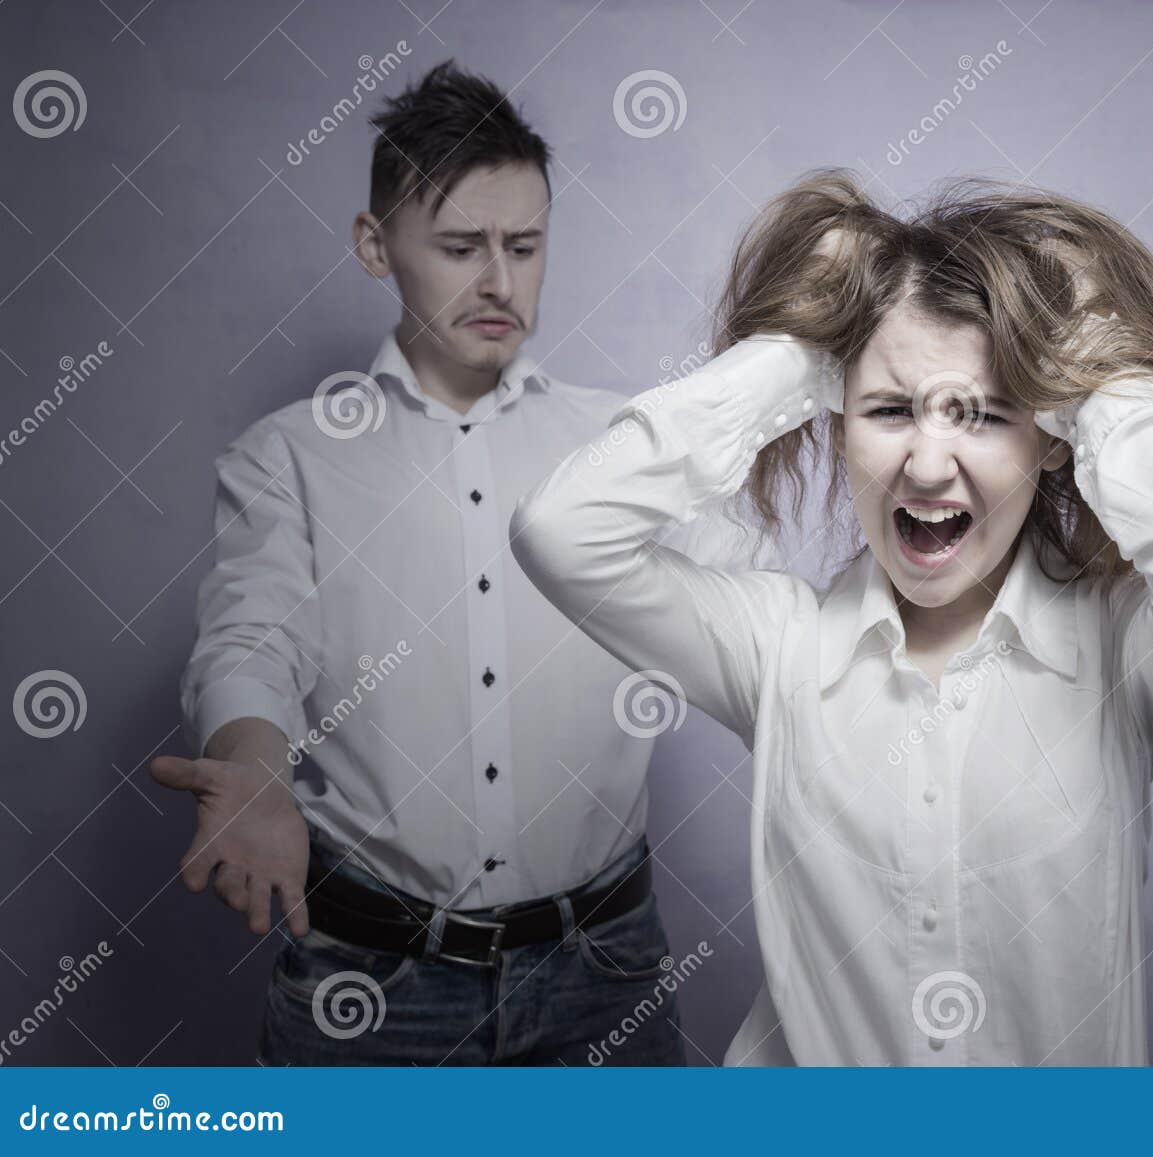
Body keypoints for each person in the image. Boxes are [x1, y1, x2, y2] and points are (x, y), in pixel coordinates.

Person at [508, 170, 1153, 1065]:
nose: (925, 464)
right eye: (886, 409)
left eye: (986, 414)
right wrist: (800, 352)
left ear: (1049, 439)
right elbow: (561, 532)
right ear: (837, 419)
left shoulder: (1120, 650)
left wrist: (1085, 371)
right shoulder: (779, 648)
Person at [148, 60, 756, 1065]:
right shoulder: (287, 455)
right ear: (376, 245)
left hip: (603, 973)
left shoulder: (624, 442)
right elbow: (253, 642)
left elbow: (760, 600)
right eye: (462, 246)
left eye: (524, 245)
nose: (500, 283)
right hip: (371, 985)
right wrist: (255, 769)